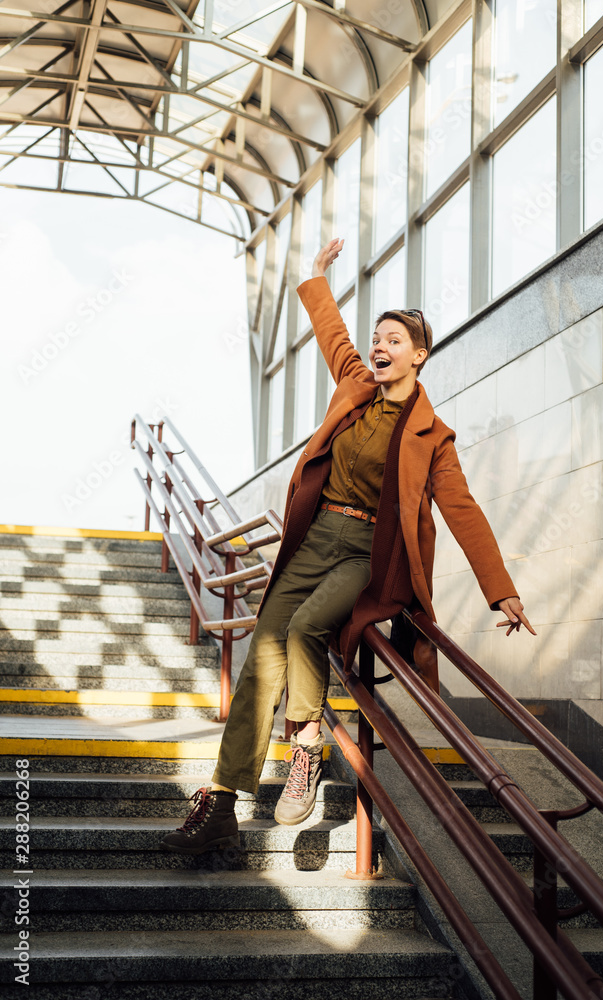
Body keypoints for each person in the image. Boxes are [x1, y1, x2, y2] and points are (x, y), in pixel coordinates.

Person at [161, 238, 535, 855]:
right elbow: (333, 335)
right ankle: (225, 800)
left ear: (419, 356)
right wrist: (314, 278)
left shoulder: (432, 436)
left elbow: (461, 509)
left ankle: (305, 740)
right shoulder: (356, 387)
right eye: (377, 337)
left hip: (368, 551)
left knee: (307, 627)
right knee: (262, 653)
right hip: (315, 539)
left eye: (393, 340)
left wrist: (503, 592)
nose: (378, 346)